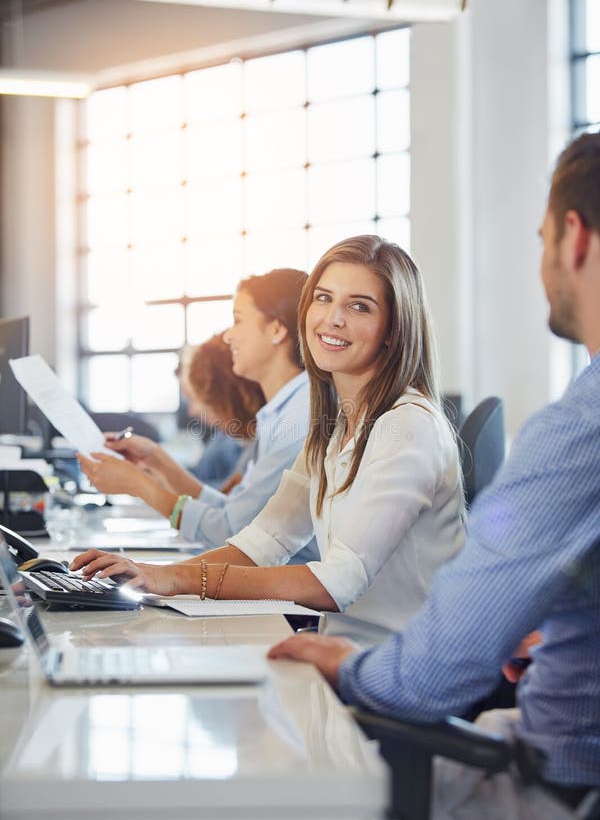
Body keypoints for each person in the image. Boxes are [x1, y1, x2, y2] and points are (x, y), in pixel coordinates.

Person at [267, 133, 600, 820]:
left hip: (561, 807)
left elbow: (428, 679)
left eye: (541, 238)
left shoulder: (582, 425)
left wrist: (341, 665)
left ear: (572, 238)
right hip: (537, 731)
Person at [72, 235, 465, 631]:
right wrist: (157, 573)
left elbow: (338, 582)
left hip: (405, 665)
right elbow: (265, 541)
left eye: (359, 306)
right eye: (323, 298)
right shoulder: (336, 425)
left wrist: (180, 579)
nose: (332, 319)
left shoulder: (408, 426)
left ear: (393, 330)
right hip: (349, 647)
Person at [79, 269, 317, 561]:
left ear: (277, 330)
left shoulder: (299, 417)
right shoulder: (282, 412)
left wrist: (138, 485)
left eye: (238, 320)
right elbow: (233, 513)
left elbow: (232, 530)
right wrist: (159, 461)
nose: (229, 335)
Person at [177, 339, 261, 491]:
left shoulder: (239, 441)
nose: (192, 411)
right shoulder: (226, 436)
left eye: (193, 398)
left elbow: (228, 496)